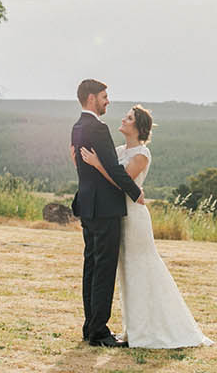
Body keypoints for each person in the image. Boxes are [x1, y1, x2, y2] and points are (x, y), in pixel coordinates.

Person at [77, 104, 213, 349]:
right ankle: (134, 328)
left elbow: (122, 183)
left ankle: (155, 327)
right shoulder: (118, 150)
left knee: (141, 267)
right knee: (126, 272)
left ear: (139, 127)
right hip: (115, 214)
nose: (123, 119)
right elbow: (111, 176)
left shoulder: (141, 154)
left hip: (134, 218)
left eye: (129, 118)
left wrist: (98, 165)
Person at [71, 78, 145, 348]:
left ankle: (90, 326)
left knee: (91, 266)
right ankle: (100, 332)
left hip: (88, 206)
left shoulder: (77, 127)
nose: (107, 101)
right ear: (92, 98)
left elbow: (82, 166)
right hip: (104, 209)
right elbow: (113, 169)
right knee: (103, 269)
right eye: (104, 96)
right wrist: (135, 193)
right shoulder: (98, 129)